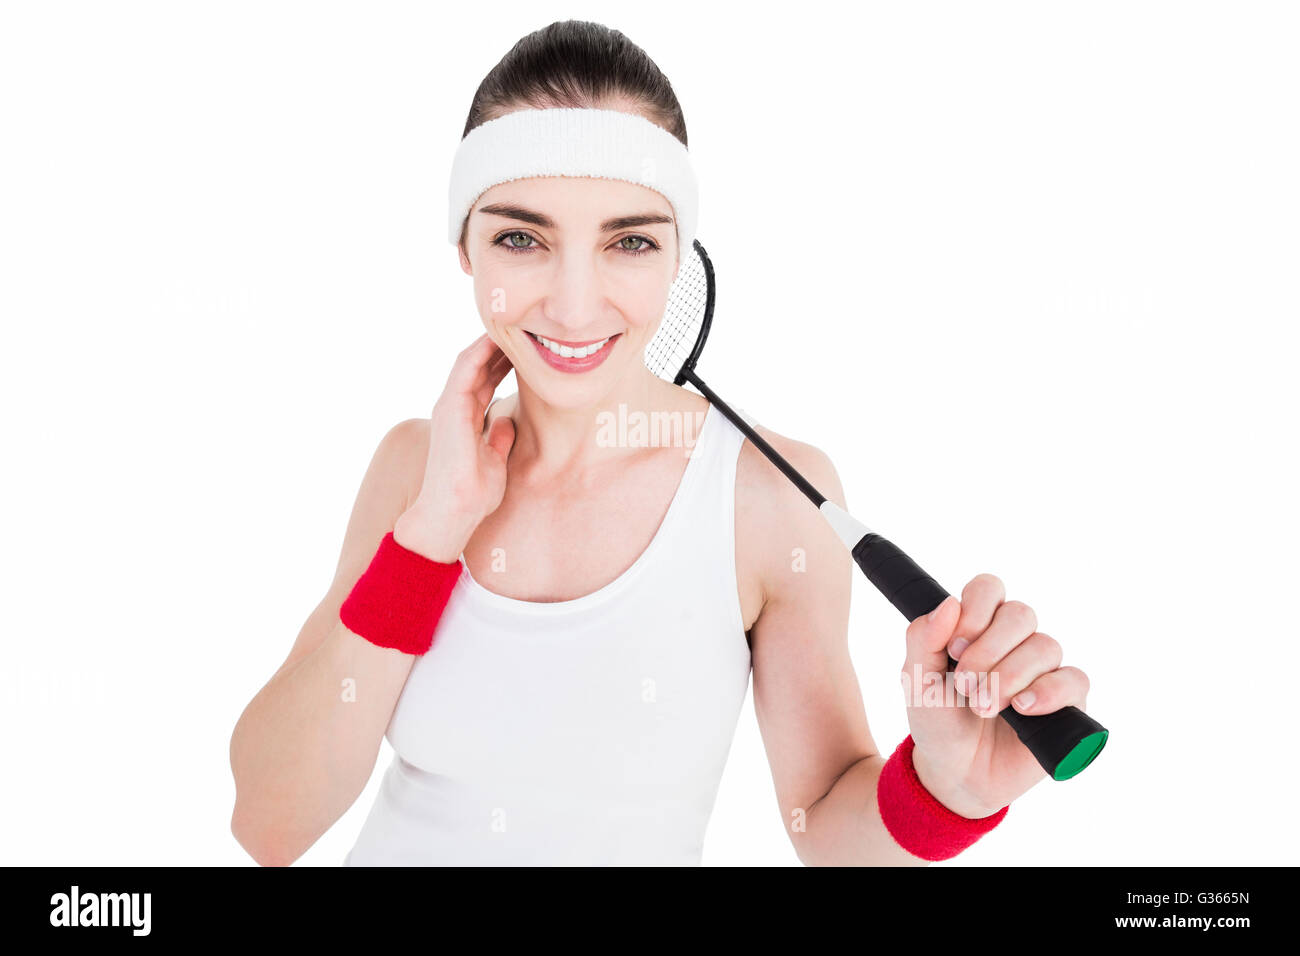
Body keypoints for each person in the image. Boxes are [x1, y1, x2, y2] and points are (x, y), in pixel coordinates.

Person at [228, 19, 1093, 867]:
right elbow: (269, 824)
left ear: (680, 255)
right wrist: (432, 529)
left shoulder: (764, 501)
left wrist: (947, 792)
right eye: (520, 238)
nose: (574, 305)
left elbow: (825, 825)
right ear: (466, 249)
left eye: (630, 241)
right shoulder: (414, 471)